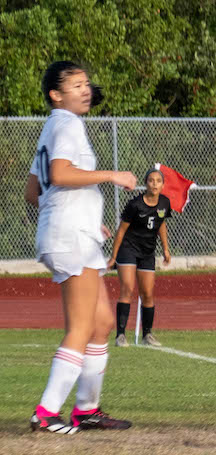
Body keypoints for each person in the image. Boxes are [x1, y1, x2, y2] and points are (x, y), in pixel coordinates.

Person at [24, 61, 136, 434]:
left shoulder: (53, 126)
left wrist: (83, 214)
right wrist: (112, 175)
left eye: (86, 83)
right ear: (56, 95)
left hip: (75, 233)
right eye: (75, 85)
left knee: (102, 323)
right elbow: (59, 174)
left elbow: (32, 191)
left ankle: (86, 410)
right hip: (70, 236)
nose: (86, 89)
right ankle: (46, 412)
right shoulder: (67, 123)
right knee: (82, 326)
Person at [107, 168, 172, 347]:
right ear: (145, 184)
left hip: (147, 252)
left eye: (158, 181)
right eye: (151, 180)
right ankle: (120, 336)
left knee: (147, 294)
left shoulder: (164, 203)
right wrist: (113, 257)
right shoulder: (135, 205)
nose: (154, 184)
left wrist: (166, 249)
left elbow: (161, 224)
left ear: (163, 185)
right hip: (128, 249)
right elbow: (121, 231)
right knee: (127, 288)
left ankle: (147, 335)